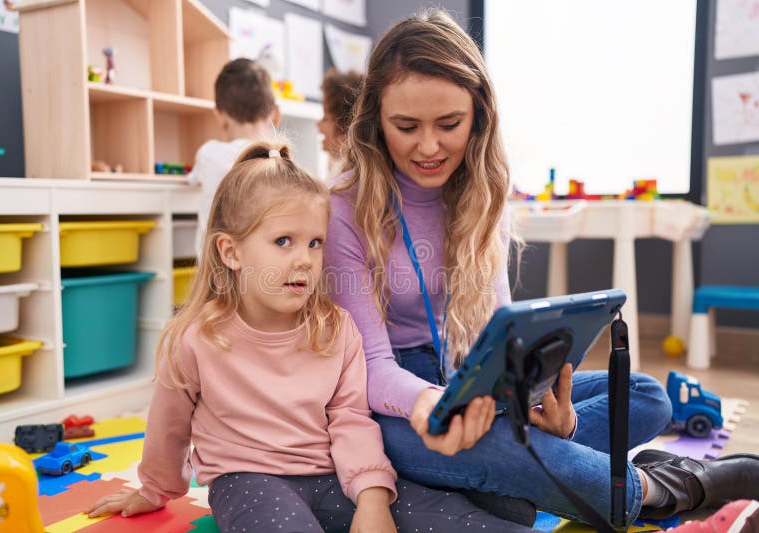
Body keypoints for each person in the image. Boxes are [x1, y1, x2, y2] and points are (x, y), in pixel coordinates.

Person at [325, 8, 759, 529]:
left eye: (449, 124)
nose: (429, 146)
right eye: (405, 126)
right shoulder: (344, 208)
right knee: (435, 442)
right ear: (376, 119)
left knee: (645, 396)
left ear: (478, 115)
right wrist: (438, 407)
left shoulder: (483, 193)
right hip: (391, 399)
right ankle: (671, 487)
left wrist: (549, 410)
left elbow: (500, 329)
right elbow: (372, 368)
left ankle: (518, 477)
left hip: (469, 379)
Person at [84, 140, 539, 533]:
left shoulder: (336, 330)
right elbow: (168, 425)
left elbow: (351, 419)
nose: (304, 259)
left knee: (482, 520)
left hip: (332, 476)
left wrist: (373, 498)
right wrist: (155, 489)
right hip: (246, 478)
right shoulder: (195, 339)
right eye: (283, 241)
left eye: (314, 243)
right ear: (231, 251)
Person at [187, 58, 281, 253]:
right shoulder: (280, 160)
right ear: (276, 114)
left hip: (212, 274)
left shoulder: (208, 153)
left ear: (220, 116)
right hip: (261, 273)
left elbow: (191, 181)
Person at [318, 68, 364, 181]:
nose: (318, 125)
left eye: (325, 118)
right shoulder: (338, 170)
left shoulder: (345, 181)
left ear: (348, 125)